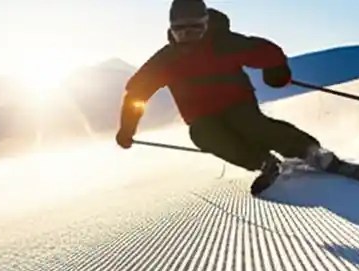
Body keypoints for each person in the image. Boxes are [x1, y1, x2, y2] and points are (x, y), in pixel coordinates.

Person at [115, 0, 344, 195]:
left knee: (249, 124)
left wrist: (277, 72)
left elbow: (267, 52)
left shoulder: (223, 43)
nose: (187, 36)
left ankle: (310, 151)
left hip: (237, 102)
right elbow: (137, 94)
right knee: (203, 134)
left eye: (195, 29)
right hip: (202, 116)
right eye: (180, 30)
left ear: (205, 25)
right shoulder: (166, 61)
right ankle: (263, 162)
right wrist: (128, 128)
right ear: (171, 30)